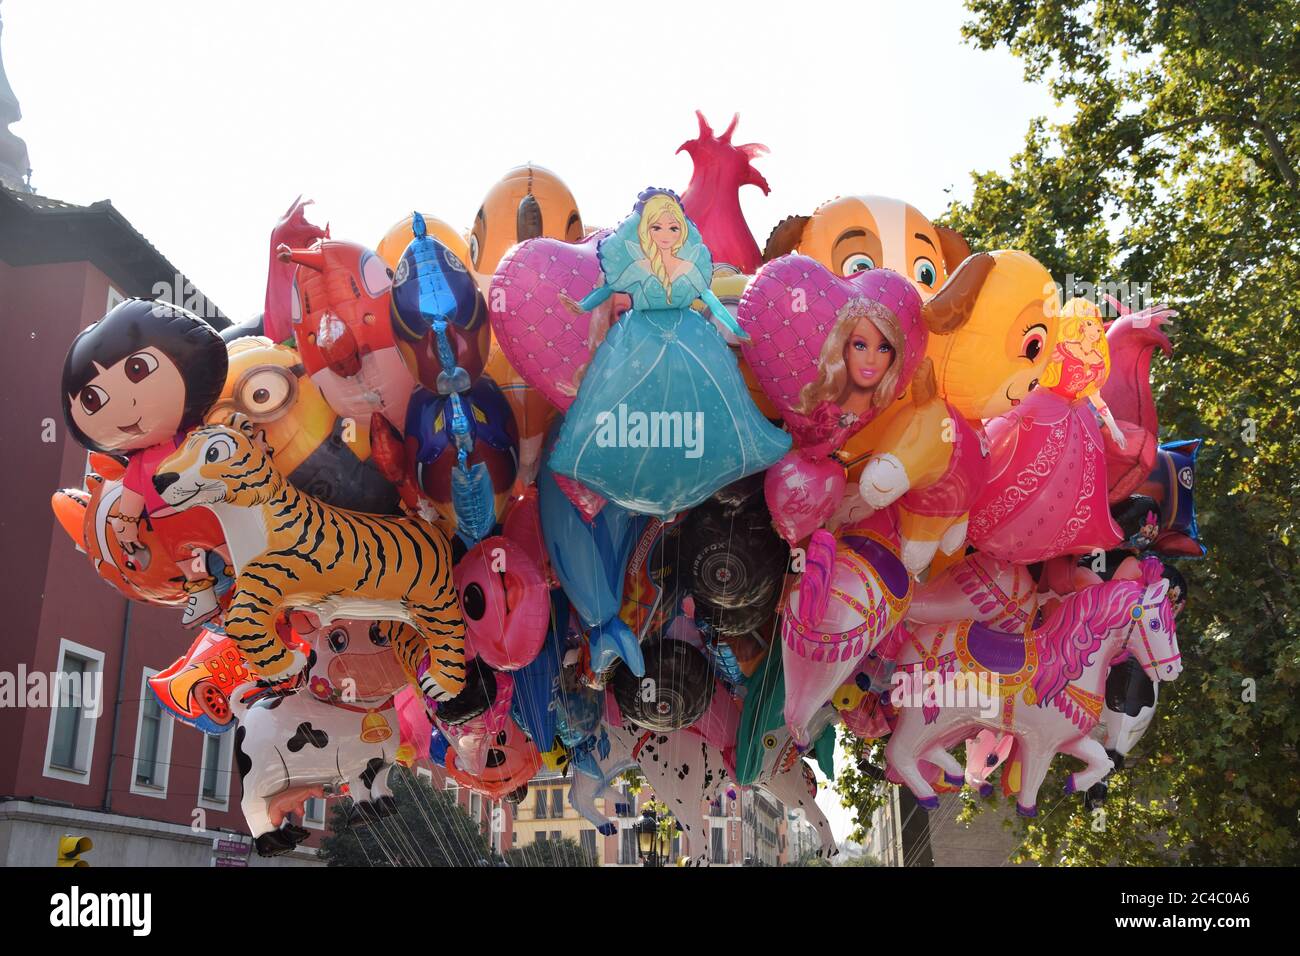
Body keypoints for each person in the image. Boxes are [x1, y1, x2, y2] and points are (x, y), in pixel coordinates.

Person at [549, 188, 790, 517]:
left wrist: (735, 329)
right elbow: (606, 290)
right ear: (646, 230)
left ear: (682, 232)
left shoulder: (690, 266)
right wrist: (579, 307)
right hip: (639, 342)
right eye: (657, 228)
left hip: (691, 340)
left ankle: (678, 477)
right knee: (633, 405)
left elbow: (712, 300)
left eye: (672, 228)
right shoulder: (635, 267)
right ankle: (646, 476)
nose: (665, 235)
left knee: (702, 403)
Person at [61, 299, 229, 625]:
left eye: (137, 369)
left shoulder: (193, 436)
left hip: (207, 510)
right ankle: (204, 594)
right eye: (93, 400)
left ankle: (243, 577)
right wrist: (125, 523)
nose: (127, 407)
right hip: (169, 524)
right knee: (188, 558)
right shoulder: (139, 464)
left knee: (223, 544)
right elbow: (132, 497)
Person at [969, 297, 1125, 563]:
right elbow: (1031, 367)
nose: (1095, 329)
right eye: (1089, 323)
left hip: (1077, 422)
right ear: (1077, 326)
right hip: (1040, 408)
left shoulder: (1097, 359)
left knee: (1076, 481)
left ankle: (1031, 534)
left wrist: (1113, 428)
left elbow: (1096, 398)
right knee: (1002, 450)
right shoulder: (1060, 350)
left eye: (1097, 325)